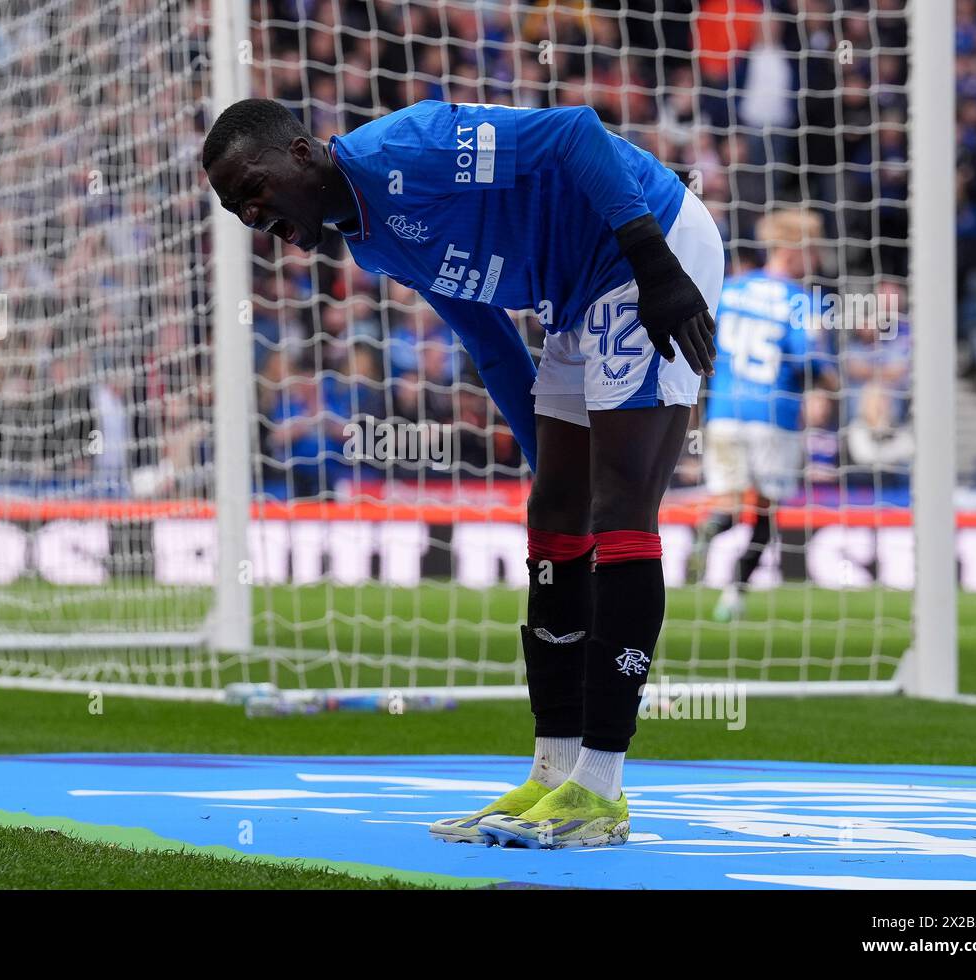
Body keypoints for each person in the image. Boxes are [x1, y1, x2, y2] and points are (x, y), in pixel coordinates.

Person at [203, 98, 722, 849]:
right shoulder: (373, 246)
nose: (251, 212)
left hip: (648, 242)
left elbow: (573, 133)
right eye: (234, 206)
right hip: (574, 295)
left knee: (618, 508)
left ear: (302, 152)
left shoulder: (410, 152)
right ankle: (552, 774)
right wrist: (551, 468)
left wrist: (653, 262)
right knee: (554, 518)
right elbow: (491, 343)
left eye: (252, 185)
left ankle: (602, 788)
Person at [692, 209, 839, 620]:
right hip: (775, 415)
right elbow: (809, 361)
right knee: (764, 514)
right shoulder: (800, 301)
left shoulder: (732, 289)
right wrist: (829, 385)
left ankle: (712, 528)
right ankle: (734, 594)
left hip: (724, 411)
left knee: (728, 502)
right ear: (795, 251)